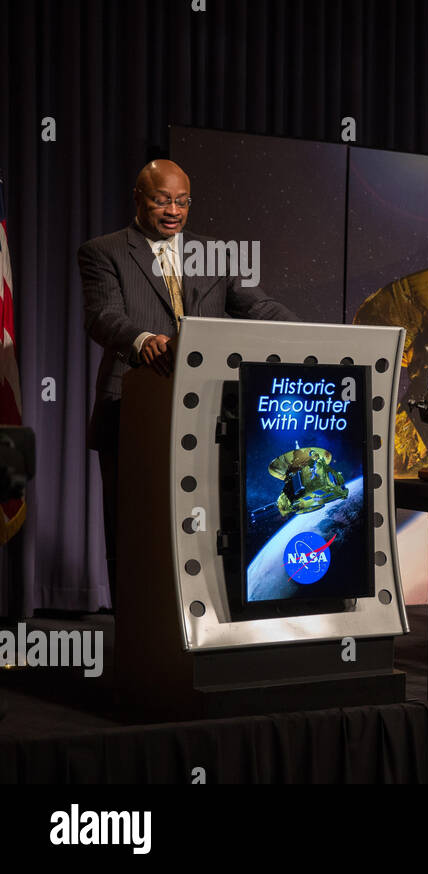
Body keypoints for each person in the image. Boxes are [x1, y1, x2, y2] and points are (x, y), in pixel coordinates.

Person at [80, 159, 298, 603]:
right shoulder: (104, 251)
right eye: (163, 201)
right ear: (139, 198)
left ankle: (198, 617)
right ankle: (135, 629)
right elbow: (103, 316)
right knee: (134, 528)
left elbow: (257, 307)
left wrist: (309, 333)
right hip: (133, 406)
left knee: (203, 523)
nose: (174, 211)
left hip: (207, 410)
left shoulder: (212, 253)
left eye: (182, 202)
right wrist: (143, 340)